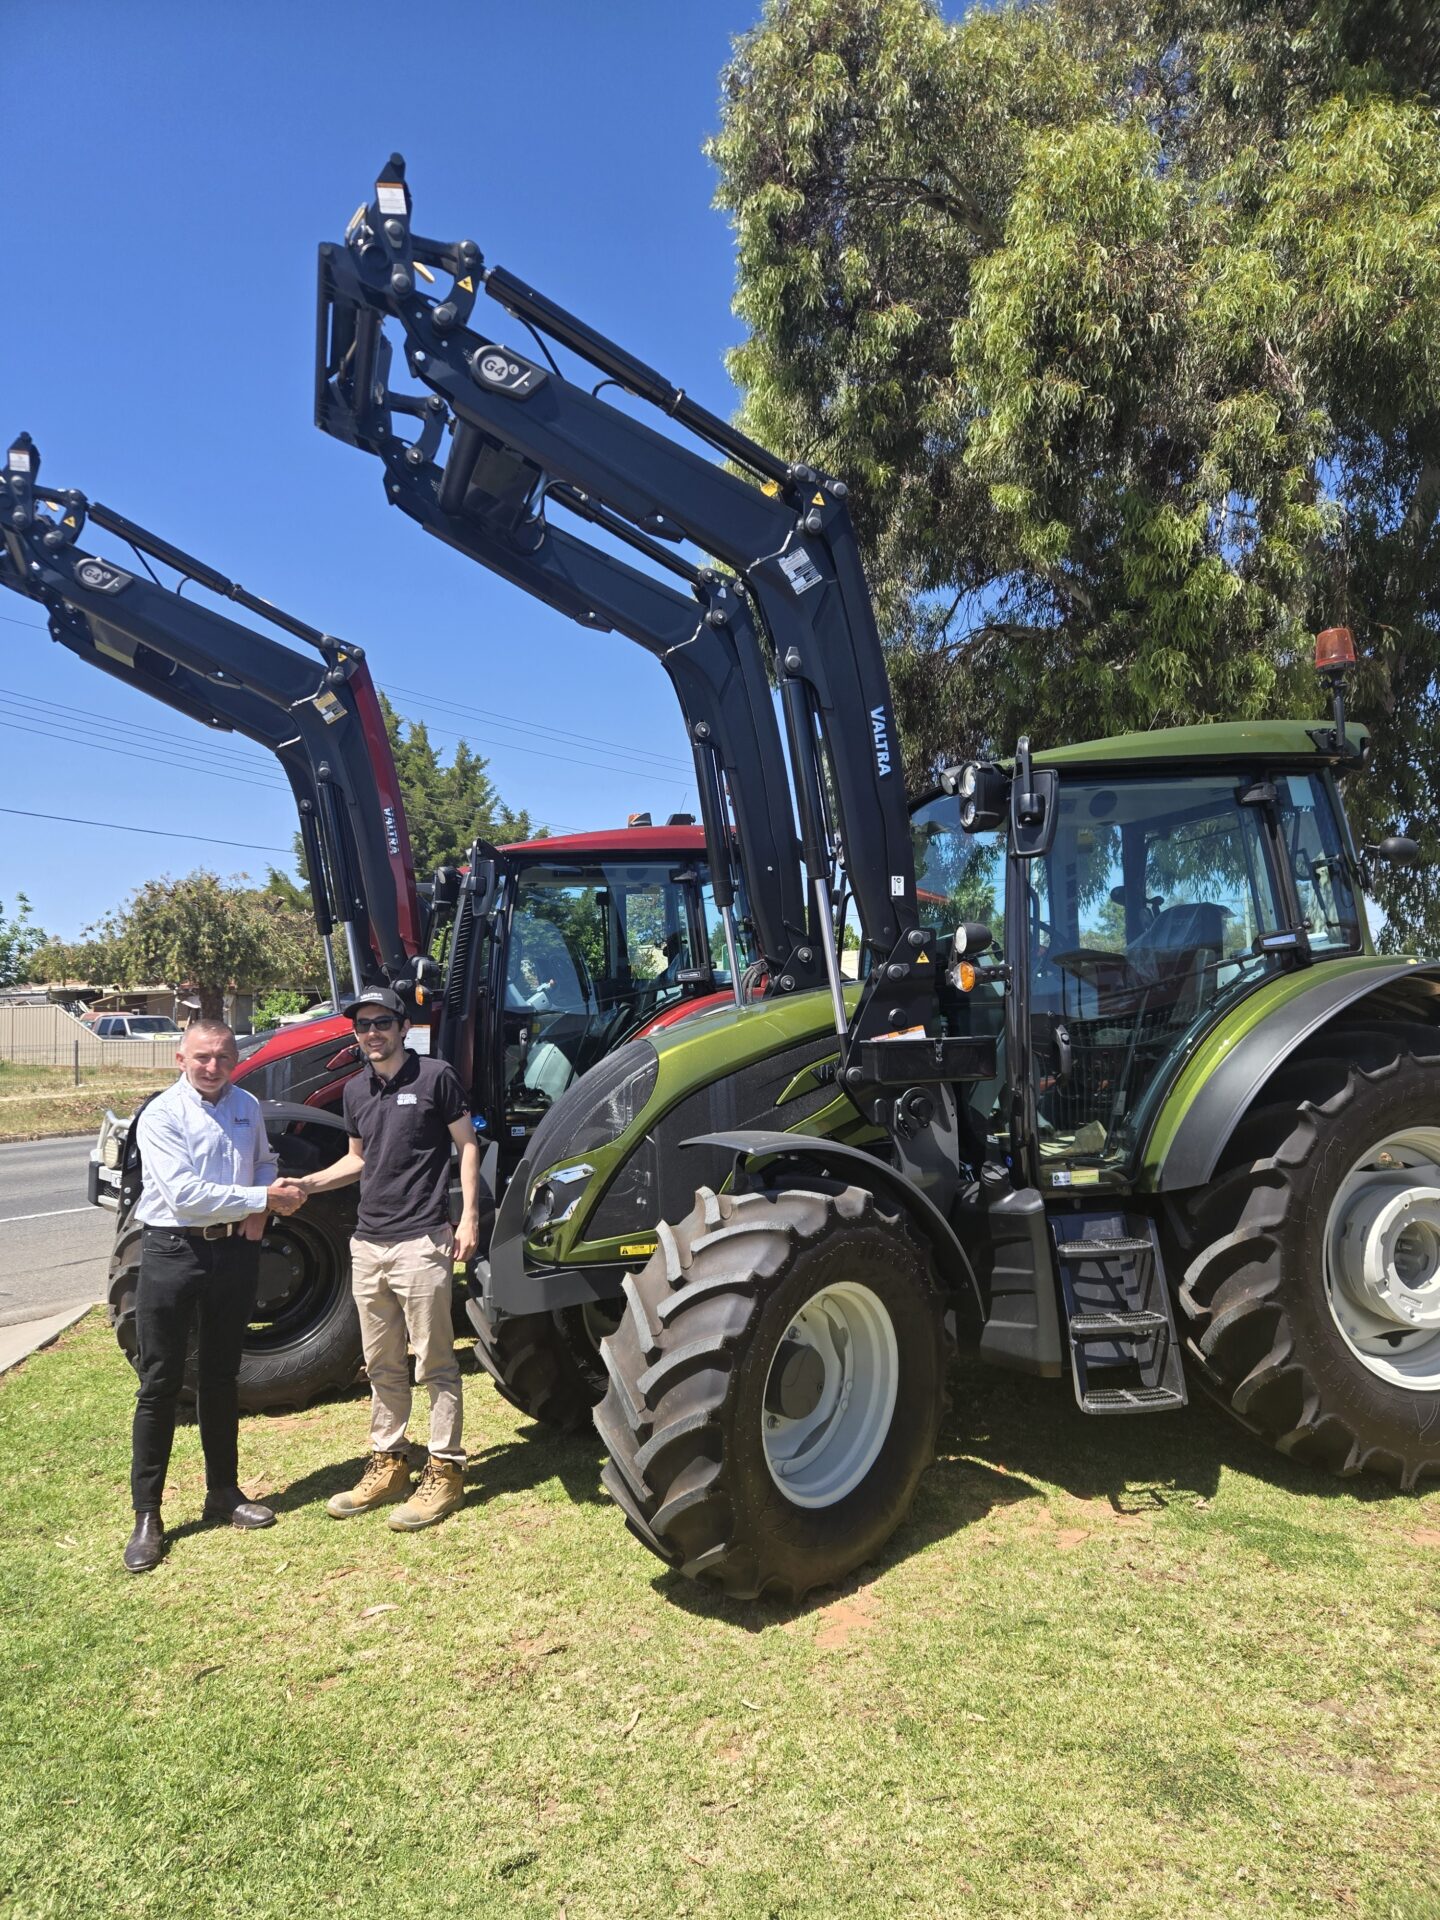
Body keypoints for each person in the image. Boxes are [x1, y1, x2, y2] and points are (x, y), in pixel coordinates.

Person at [124, 1019, 306, 1574]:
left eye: (224, 1056)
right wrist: (260, 1198)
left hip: (234, 1253)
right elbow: (184, 1195)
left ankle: (223, 1492)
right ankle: (148, 1514)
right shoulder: (161, 1114)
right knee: (160, 1382)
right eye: (202, 1057)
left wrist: (261, 1204)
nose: (213, 1066)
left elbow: (264, 1160)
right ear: (180, 1059)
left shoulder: (246, 1105)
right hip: (174, 1252)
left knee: (223, 1376)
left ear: (235, 1059)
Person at [297, 987, 481, 1530]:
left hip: (422, 1241)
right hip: (369, 1243)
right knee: (380, 1363)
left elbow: (468, 1145)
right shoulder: (356, 1089)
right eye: (363, 1025)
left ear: (403, 1027)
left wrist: (468, 1217)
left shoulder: (435, 1077)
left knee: (436, 1363)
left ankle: (445, 1470)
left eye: (381, 1023)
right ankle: (390, 1462)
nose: (372, 1033)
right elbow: (356, 1160)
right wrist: (306, 1184)